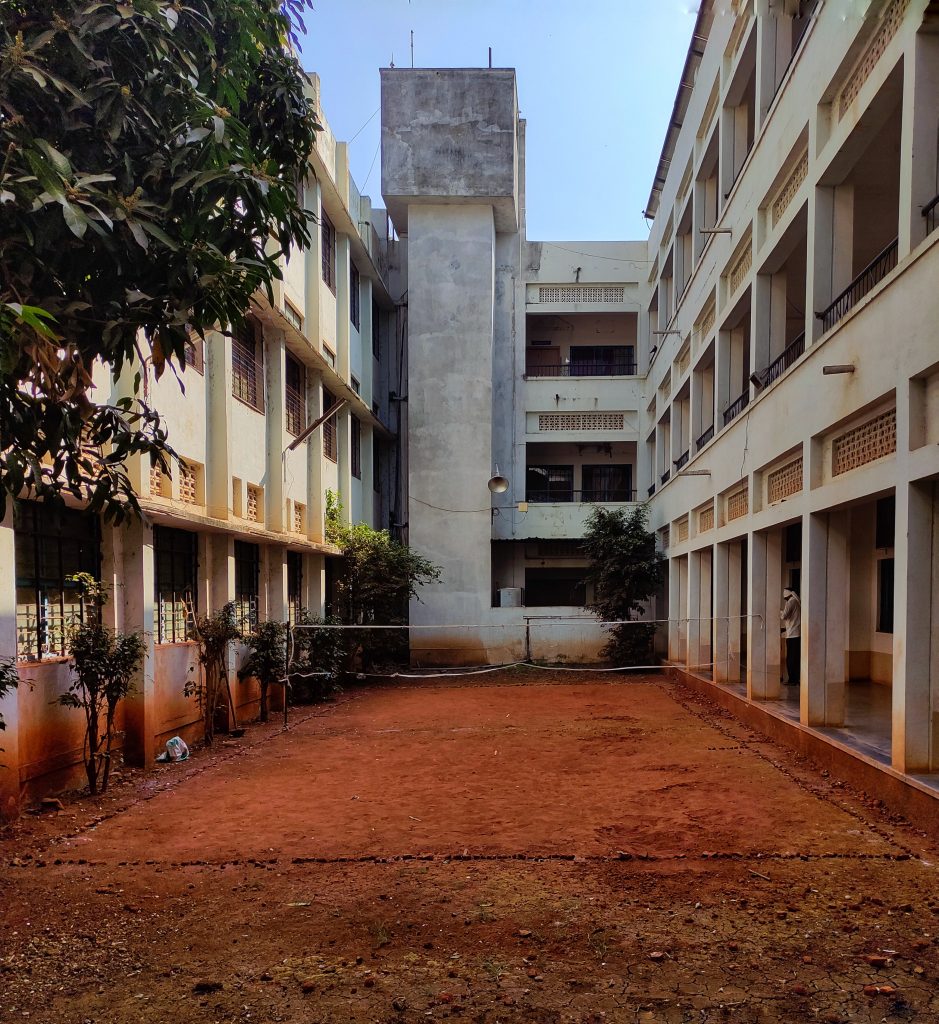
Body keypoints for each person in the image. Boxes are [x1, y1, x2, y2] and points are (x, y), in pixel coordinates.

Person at [781, 588, 801, 685]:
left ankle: (793, 680)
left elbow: (784, 616)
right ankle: (794, 679)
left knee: (791, 659)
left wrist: (778, 611)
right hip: (795, 634)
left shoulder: (791, 602)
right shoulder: (795, 602)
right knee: (794, 658)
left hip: (793, 635)